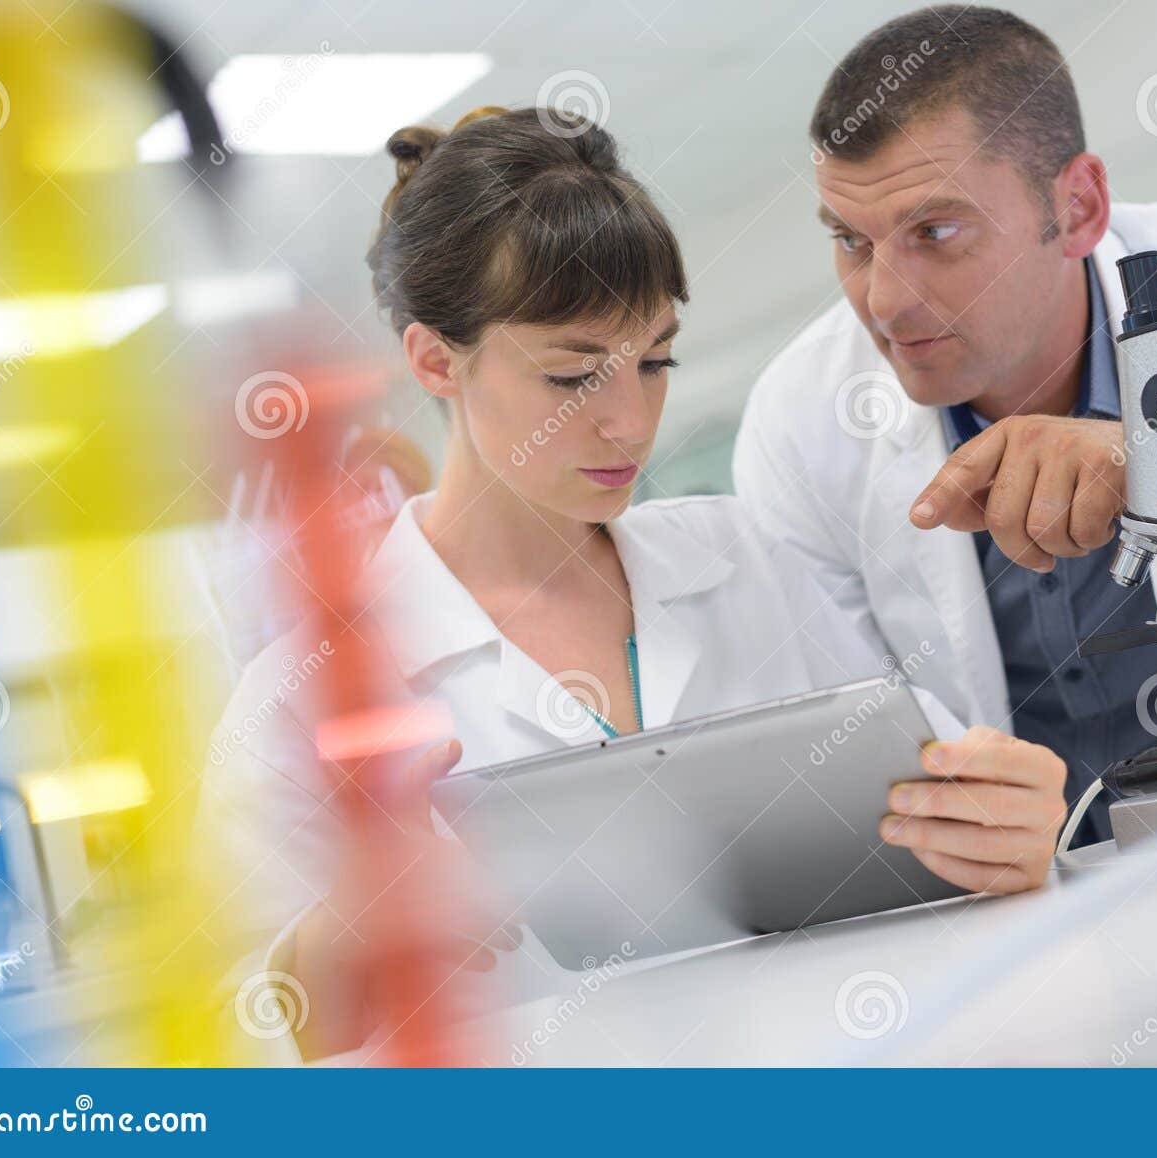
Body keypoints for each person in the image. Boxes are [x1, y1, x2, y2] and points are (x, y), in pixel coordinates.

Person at [195, 106, 1071, 1061]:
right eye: (573, 377)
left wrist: (1008, 829)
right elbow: (223, 1047)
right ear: (436, 360)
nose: (629, 421)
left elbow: (935, 812)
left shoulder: (742, 558)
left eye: (654, 362)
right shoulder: (300, 695)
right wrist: (343, 942)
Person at [732, 6, 1157, 847]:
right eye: (851, 241)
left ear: (1077, 207)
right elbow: (847, 758)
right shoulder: (800, 421)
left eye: (936, 232)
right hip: (1029, 898)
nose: (883, 302)